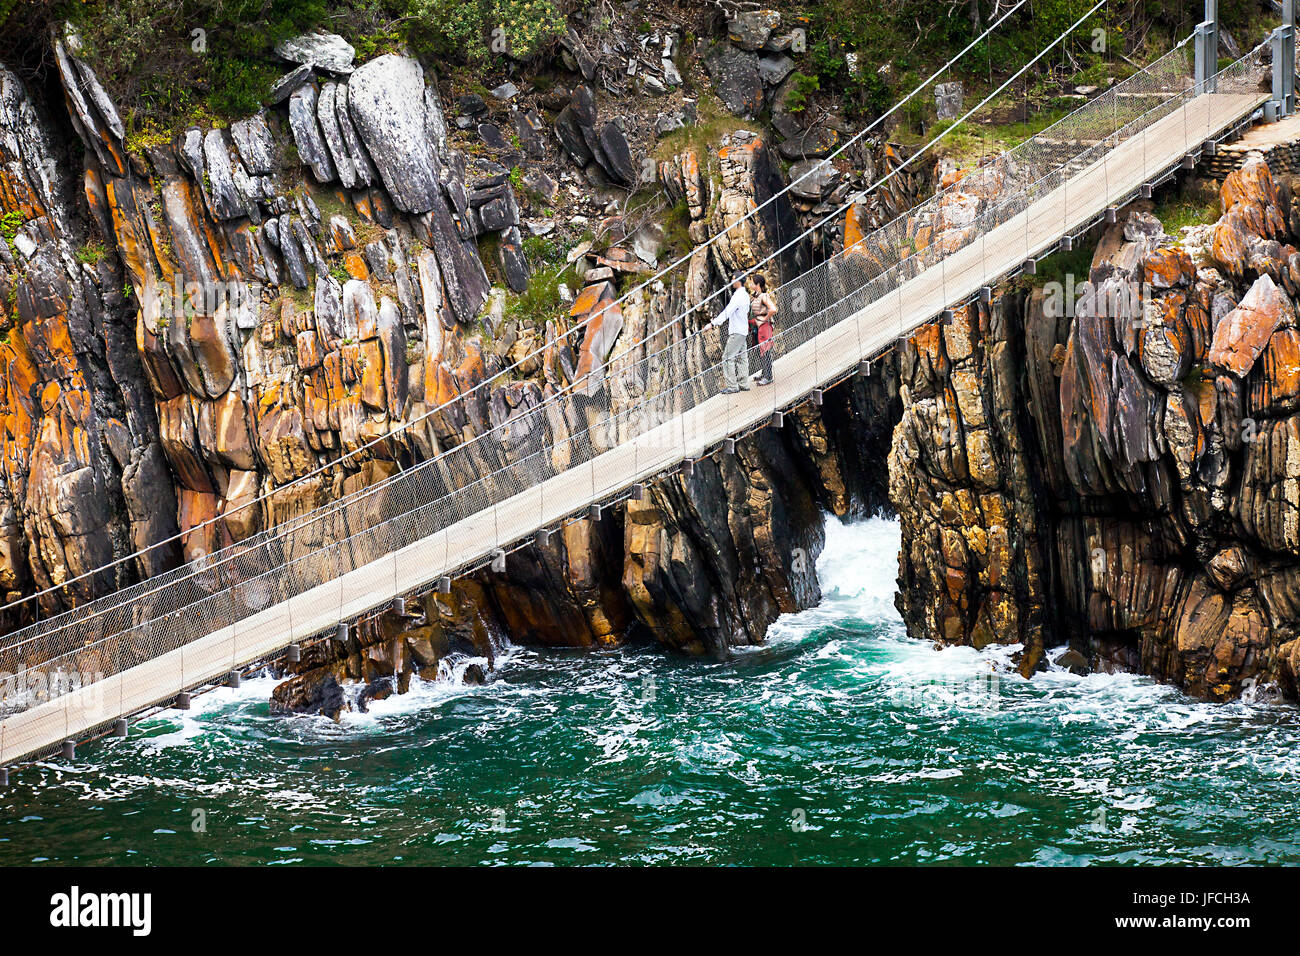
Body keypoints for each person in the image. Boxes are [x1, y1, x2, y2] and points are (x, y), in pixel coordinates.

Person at [712, 272, 751, 393]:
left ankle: (732, 386)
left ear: (738, 281)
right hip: (743, 330)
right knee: (742, 357)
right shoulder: (745, 295)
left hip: (737, 331)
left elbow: (727, 312)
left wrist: (714, 323)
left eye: (733, 279)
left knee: (727, 357)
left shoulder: (738, 296)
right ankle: (744, 384)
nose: (731, 282)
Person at [747, 274, 777, 386]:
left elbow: (773, 309)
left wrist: (765, 319)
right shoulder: (757, 296)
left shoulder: (763, 296)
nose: (750, 285)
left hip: (764, 327)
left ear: (758, 285)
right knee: (762, 350)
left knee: (765, 350)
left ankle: (768, 377)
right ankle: (765, 373)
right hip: (759, 327)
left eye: (752, 283)